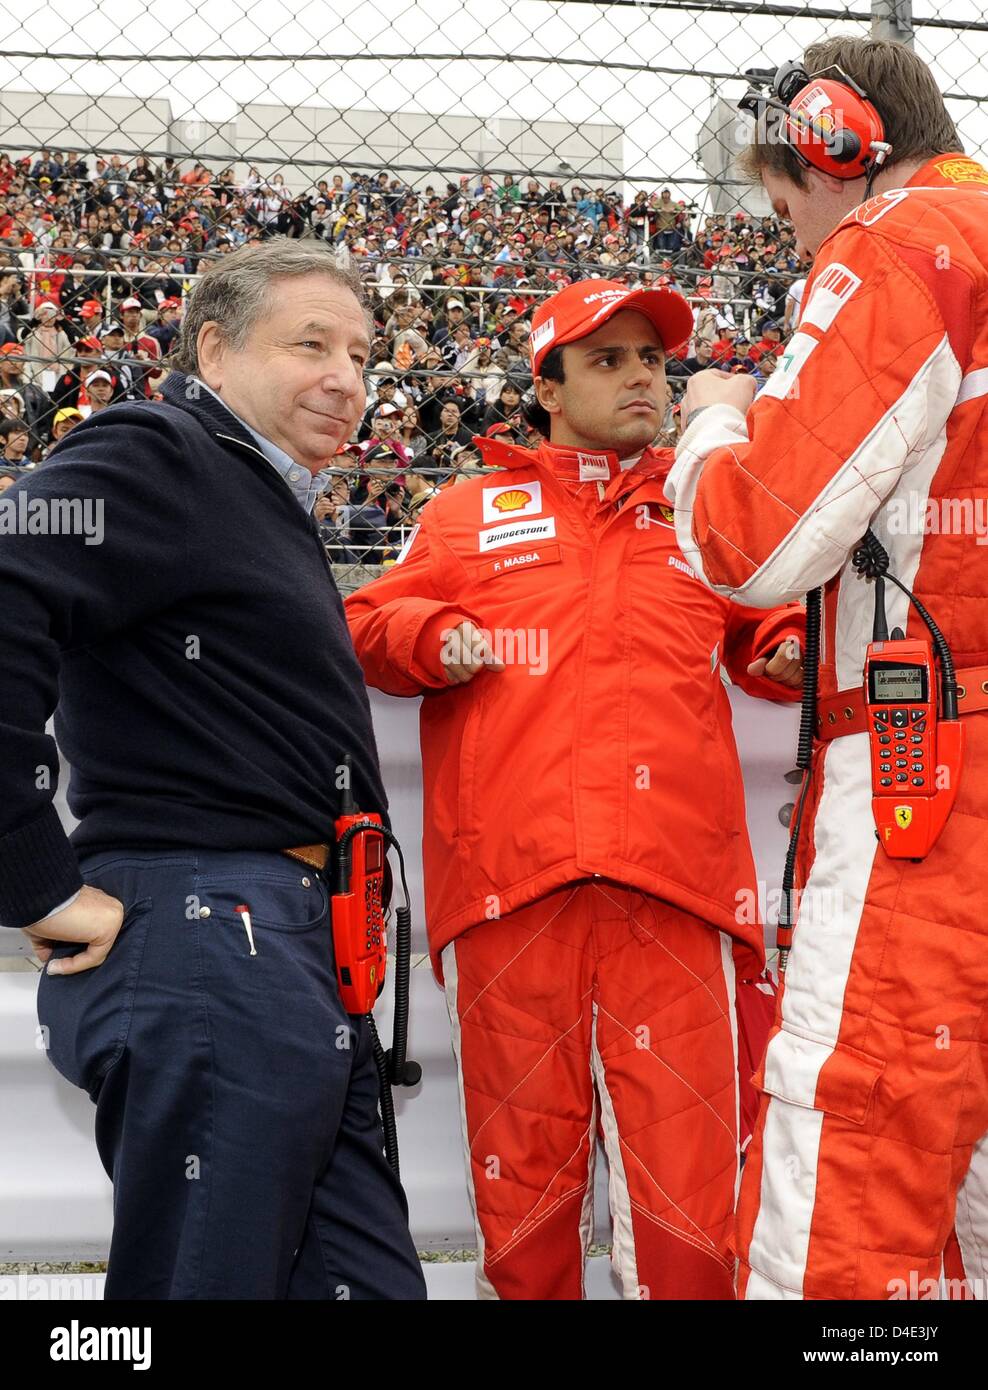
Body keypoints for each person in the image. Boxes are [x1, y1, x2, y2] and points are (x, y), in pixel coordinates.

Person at [345, 277, 806, 1300]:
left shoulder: (704, 505)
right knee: (524, 1196)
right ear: (546, 387)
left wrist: (781, 651)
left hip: (677, 892)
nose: (643, 377)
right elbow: (366, 624)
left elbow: (765, 623)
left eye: (653, 361)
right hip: (513, 889)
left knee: (690, 1208)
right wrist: (429, 635)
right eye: (609, 360)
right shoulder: (468, 512)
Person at [0, 238, 425, 1301]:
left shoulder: (250, 492)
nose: (348, 378)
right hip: (210, 934)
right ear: (216, 350)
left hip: (284, 948)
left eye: (365, 355)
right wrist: (31, 877)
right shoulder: (165, 450)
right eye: (311, 343)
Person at [668, 35, 988, 1301]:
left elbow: (752, 544)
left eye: (787, 191)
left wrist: (711, 419)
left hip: (936, 772)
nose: (788, 226)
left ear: (839, 138)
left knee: (853, 1141)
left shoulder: (904, 245)